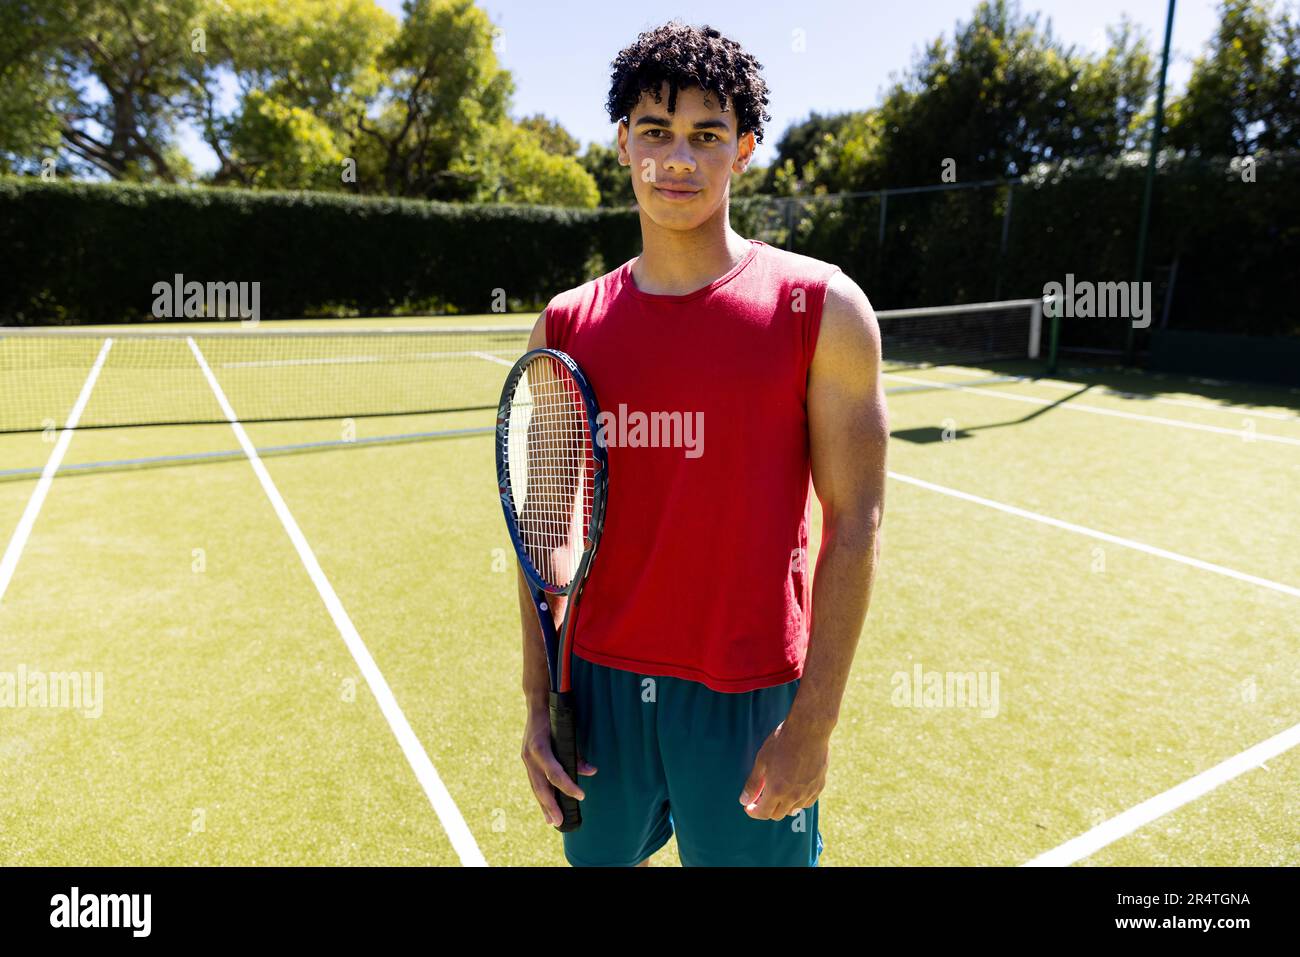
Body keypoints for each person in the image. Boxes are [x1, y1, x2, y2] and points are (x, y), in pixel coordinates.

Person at [516, 20, 887, 866]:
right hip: (600, 686)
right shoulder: (564, 324)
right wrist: (539, 699)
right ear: (623, 144)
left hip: (748, 688)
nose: (678, 159)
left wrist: (816, 722)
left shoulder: (822, 310)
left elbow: (856, 523)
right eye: (656, 131)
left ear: (744, 149)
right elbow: (543, 533)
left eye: (706, 135)